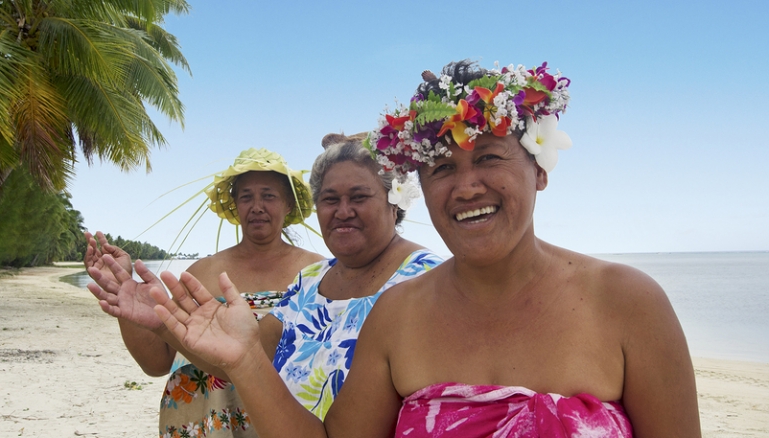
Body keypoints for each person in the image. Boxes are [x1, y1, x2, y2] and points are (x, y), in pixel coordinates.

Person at [152, 61, 702, 437]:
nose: (465, 187)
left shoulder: (628, 304)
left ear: (539, 170)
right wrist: (247, 361)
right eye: (441, 167)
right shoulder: (400, 314)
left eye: (488, 157)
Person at [90, 137, 442, 433]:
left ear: (395, 202)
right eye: (330, 199)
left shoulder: (426, 281)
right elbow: (249, 359)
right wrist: (160, 323)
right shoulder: (311, 281)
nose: (342, 210)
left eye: (359, 196)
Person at [84, 148, 324, 437]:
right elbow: (157, 363)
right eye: (246, 196)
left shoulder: (316, 272)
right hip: (207, 422)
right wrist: (127, 300)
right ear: (235, 205)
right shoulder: (203, 273)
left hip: (289, 421)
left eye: (269, 195)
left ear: (288, 204)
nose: (257, 206)